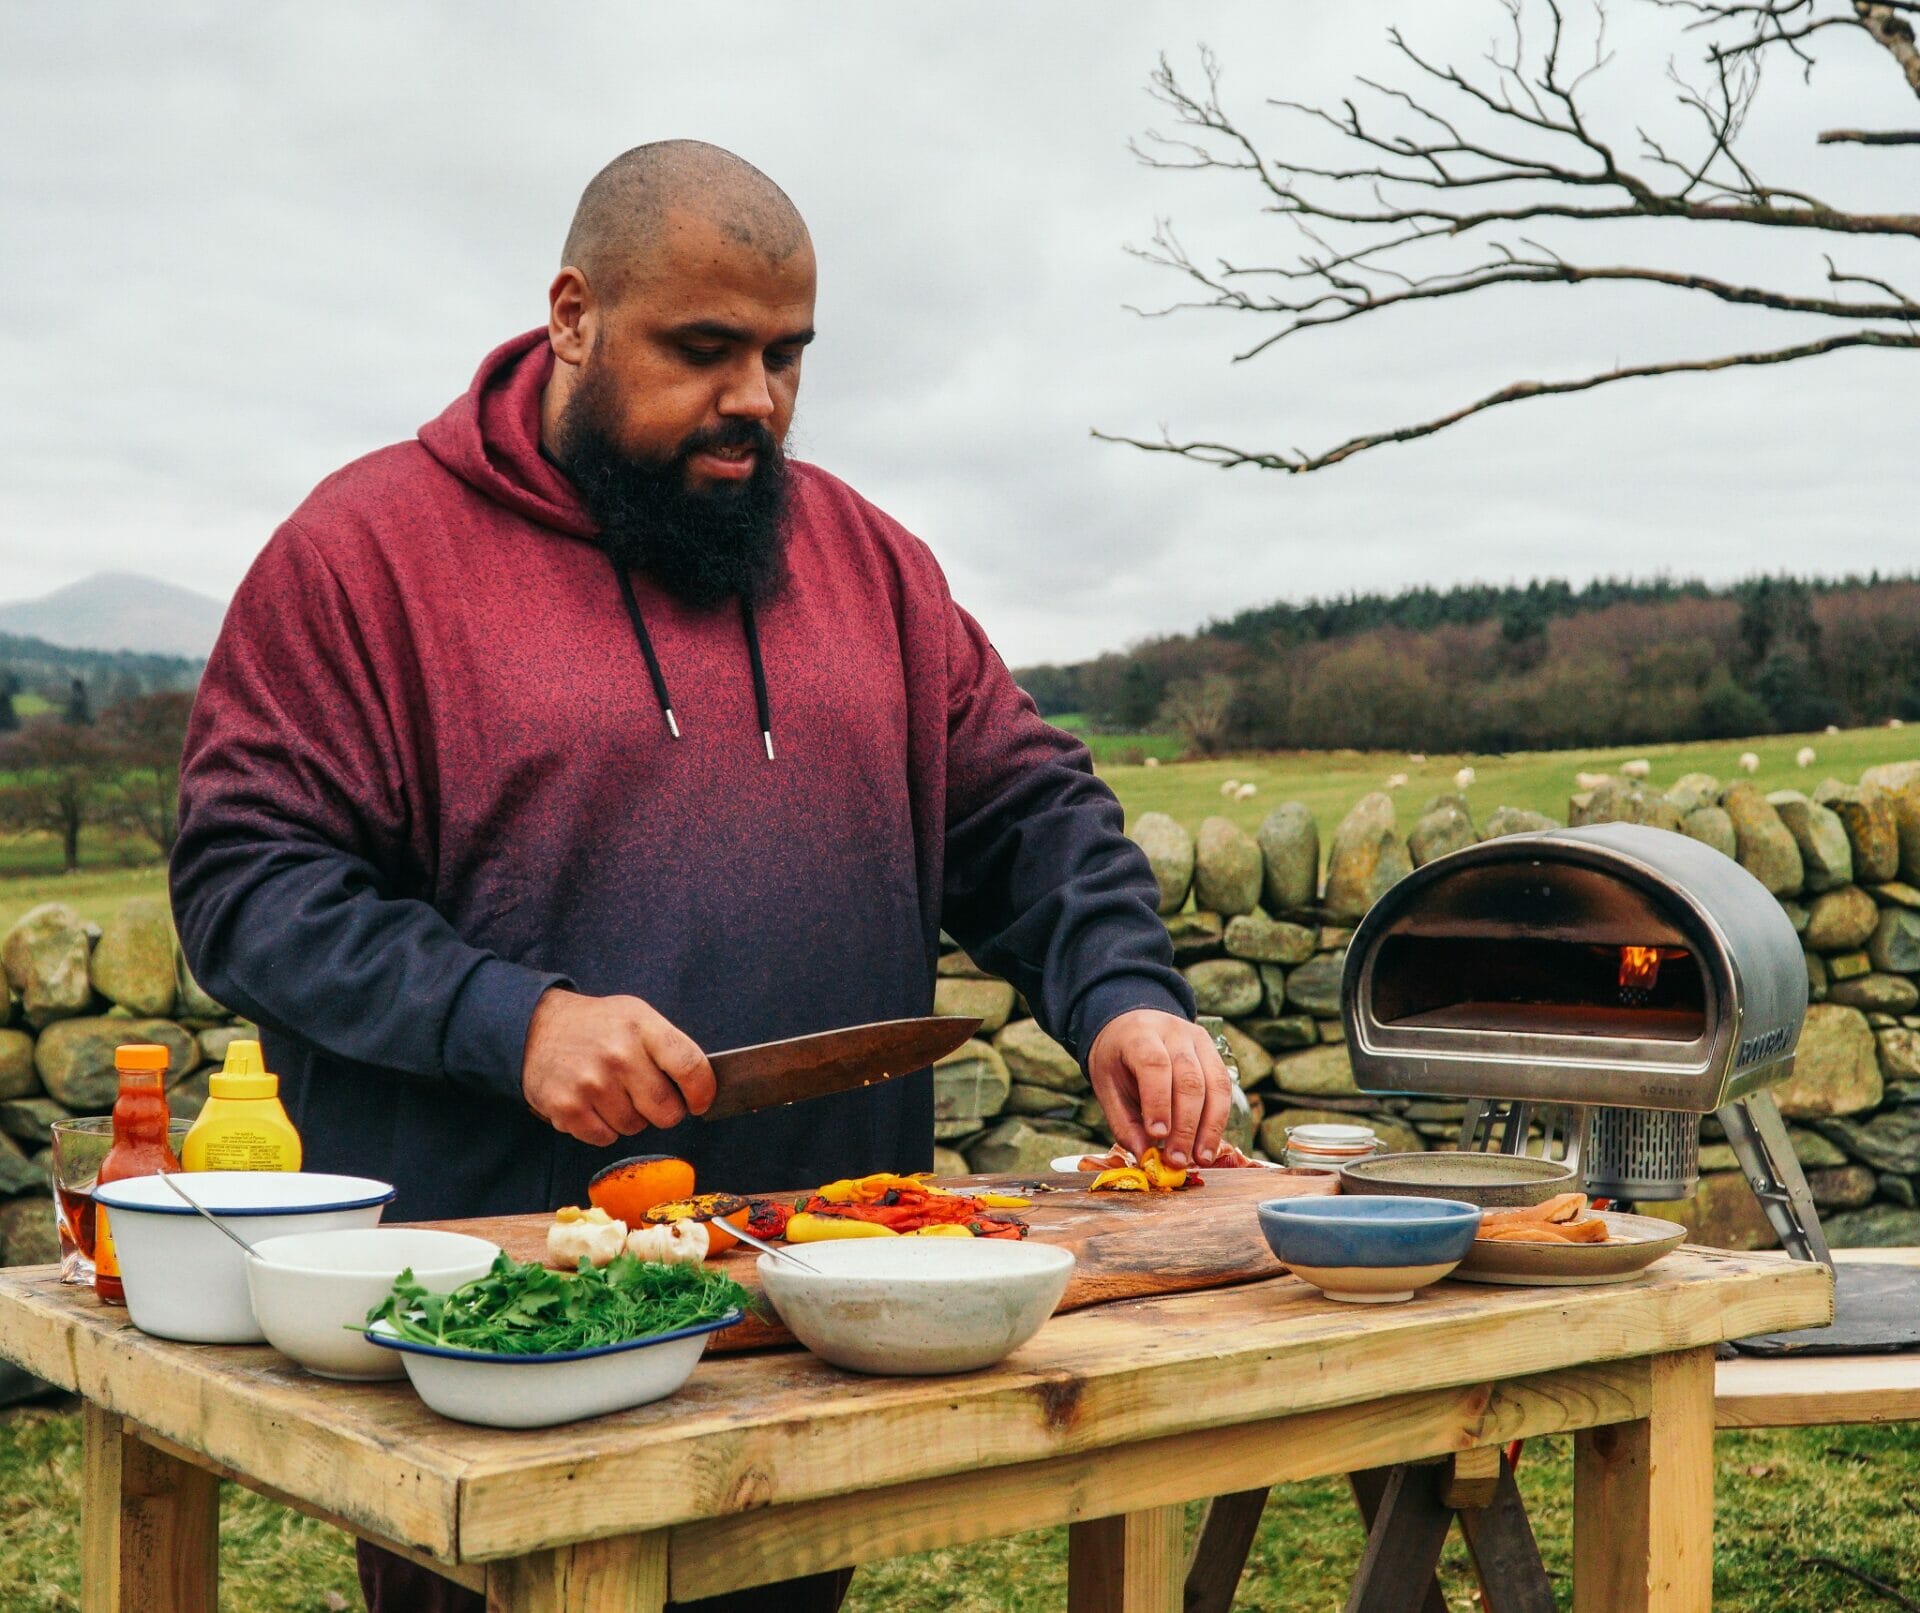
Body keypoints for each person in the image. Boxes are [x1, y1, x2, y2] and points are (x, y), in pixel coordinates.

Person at [172, 140, 1232, 1613]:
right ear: (571, 315)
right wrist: (514, 1019)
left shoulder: (871, 563)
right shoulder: (366, 558)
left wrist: (1121, 994)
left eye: (788, 355)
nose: (760, 398)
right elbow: (248, 878)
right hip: (505, 1337)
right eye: (707, 349)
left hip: (824, 1308)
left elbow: (1025, 805)